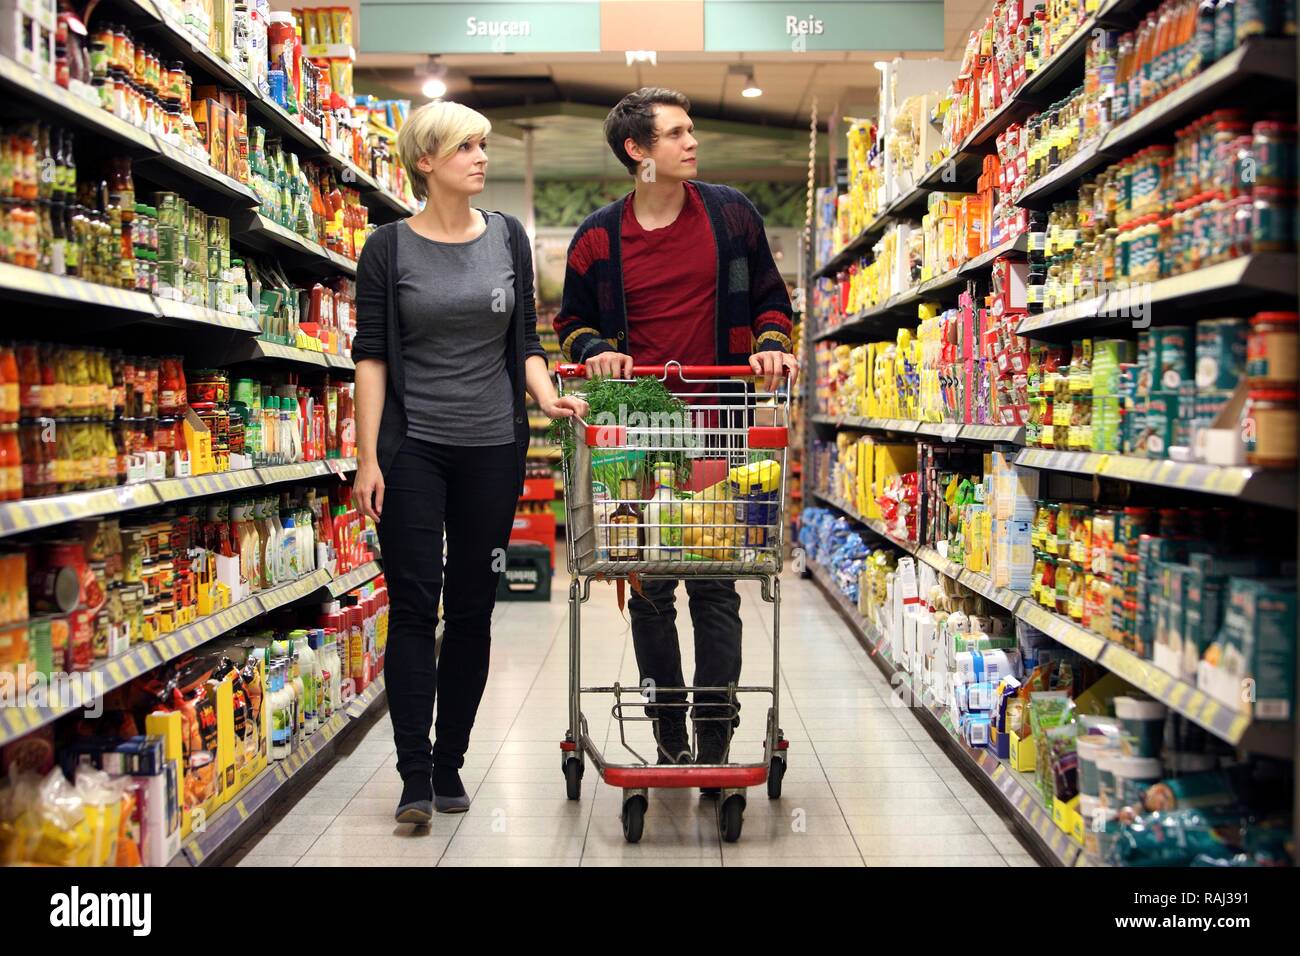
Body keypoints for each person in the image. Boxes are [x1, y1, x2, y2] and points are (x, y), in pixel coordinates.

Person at [351, 101, 587, 823]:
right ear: (427, 161)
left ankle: (450, 760)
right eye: (466, 147)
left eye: (485, 144)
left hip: (494, 447)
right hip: (414, 447)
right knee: (416, 606)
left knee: (475, 611)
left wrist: (546, 397)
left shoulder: (509, 238)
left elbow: (526, 340)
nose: (482, 157)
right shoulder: (387, 248)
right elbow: (371, 357)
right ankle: (413, 776)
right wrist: (368, 459)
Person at [555, 87, 797, 778]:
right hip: (634, 422)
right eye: (677, 133)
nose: (692, 143)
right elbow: (569, 325)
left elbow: (770, 299)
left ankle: (715, 737)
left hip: (719, 416)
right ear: (639, 151)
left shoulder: (732, 219)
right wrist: (595, 347)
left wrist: (772, 341)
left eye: (691, 131)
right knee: (651, 589)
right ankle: (667, 738)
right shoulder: (599, 238)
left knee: (716, 586)